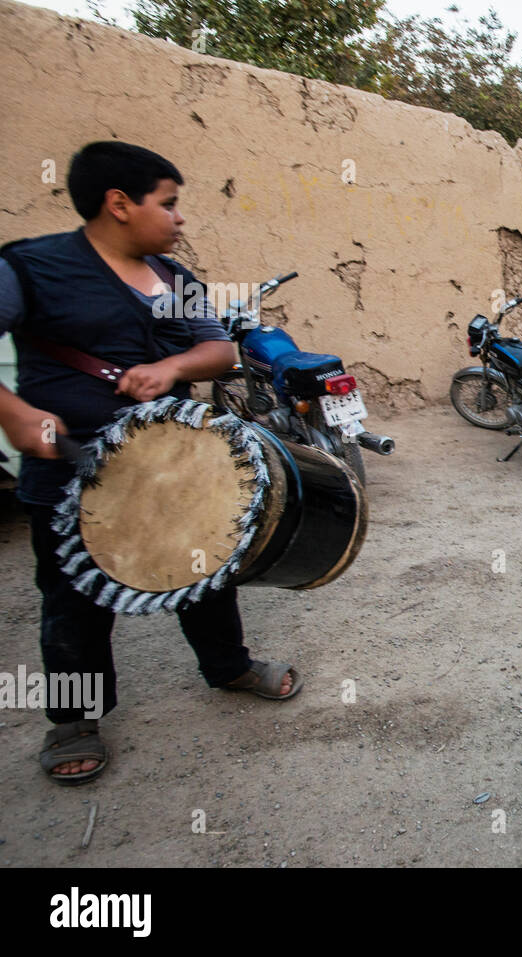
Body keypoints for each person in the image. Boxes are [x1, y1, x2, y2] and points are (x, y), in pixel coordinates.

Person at [0, 142, 302, 786]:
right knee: (75, 598)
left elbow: (218, 352)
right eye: (168, 204)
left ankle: (228, 668)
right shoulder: (33, 267)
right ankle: (75, 719)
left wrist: (170, 367)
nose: (179, 218)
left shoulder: (175, 280)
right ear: (119, 203)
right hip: (73, 475)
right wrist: (14, 415)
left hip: (177, 467)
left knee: (207, 572)